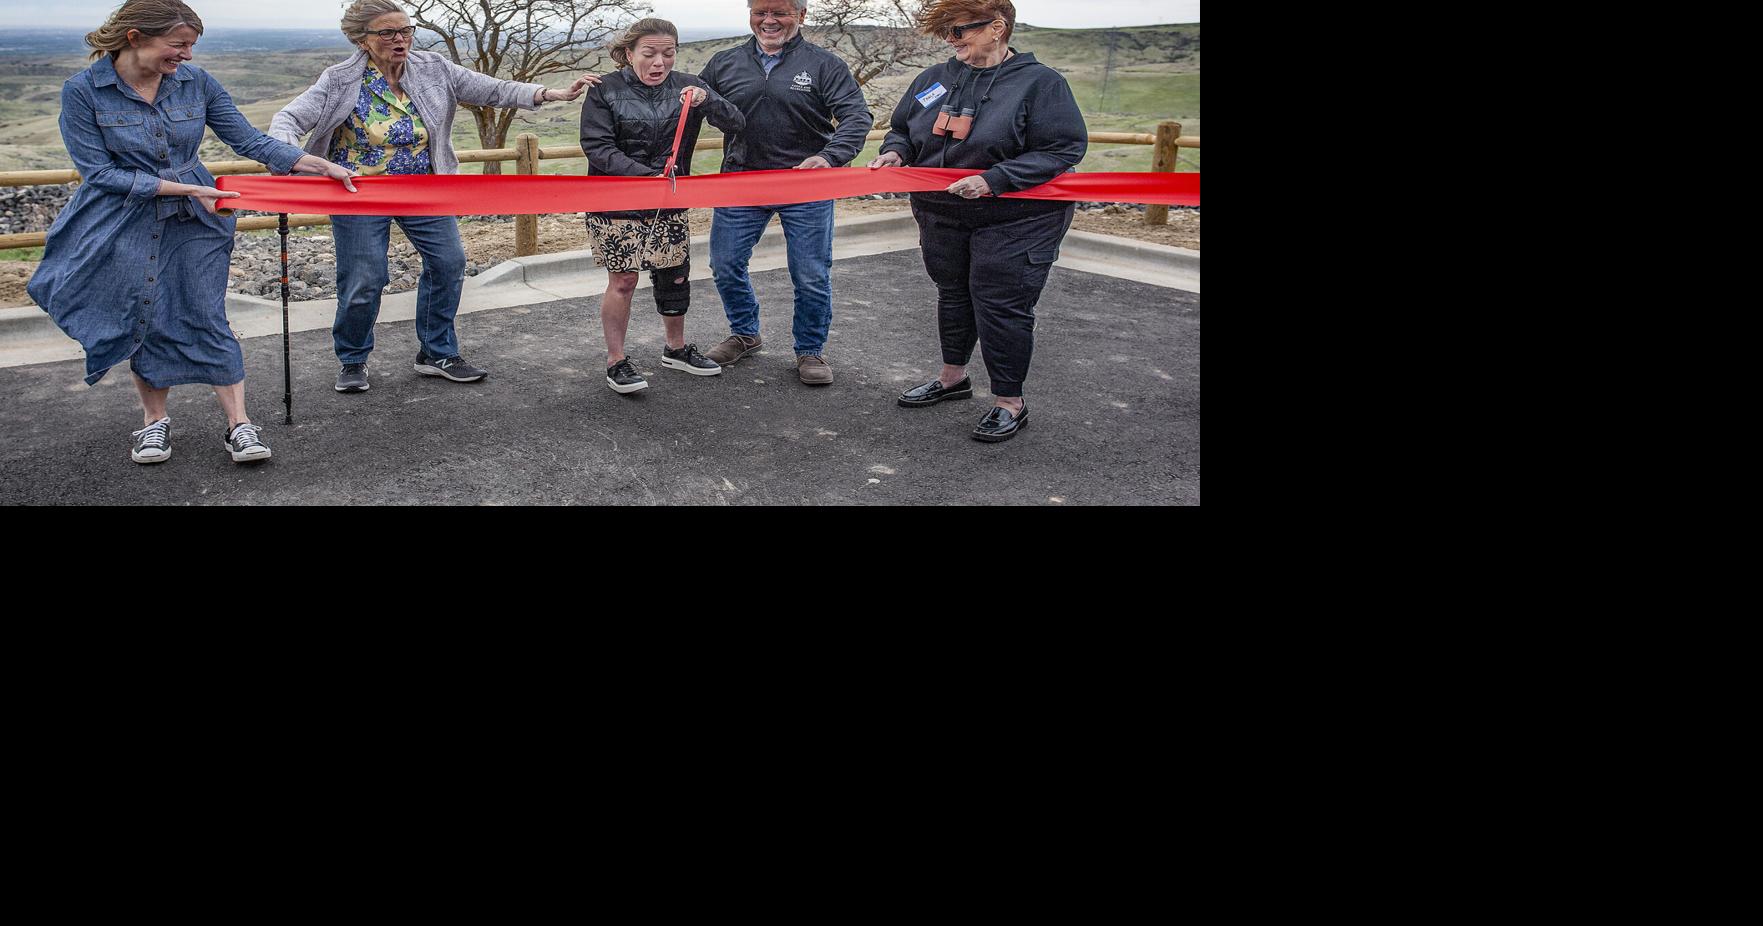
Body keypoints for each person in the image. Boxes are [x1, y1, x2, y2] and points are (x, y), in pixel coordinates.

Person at [28, 0, 357, 464]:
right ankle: (154, 424)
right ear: (135, 37)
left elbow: (248, 139)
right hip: (122, 219)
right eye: (178, 44)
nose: (186, 55)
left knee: (204, 312)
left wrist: (313, 164)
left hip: (198, 218)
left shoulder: (196, 83)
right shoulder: (83, 91)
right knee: (146, 317)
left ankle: (239, 425)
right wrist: (179, 186)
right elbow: (99, 172)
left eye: (191, 46)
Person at [270, 0, 599, 393]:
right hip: (359, 192)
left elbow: (491, 89)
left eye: (405, 30)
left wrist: (551, 93)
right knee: (365, 279)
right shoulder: (339, 79)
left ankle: (436, 352)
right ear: (362, 40)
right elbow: (287, 120)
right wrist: (295, 158)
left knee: (448, 263)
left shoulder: (433, 67)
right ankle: (353, 358)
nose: (400, 39)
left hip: (425, 187)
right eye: (387, 33)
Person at [870, 0, 1085, 442]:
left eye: (958, 31)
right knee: (953, 292)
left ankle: (1010, 401)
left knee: (1000, 302)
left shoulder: (1040, 84)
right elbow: (903, 129)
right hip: (942, 211)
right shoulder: (933, 80)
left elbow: (1063, 149)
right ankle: (952, 379)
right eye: (946, 33)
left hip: (1017, 217)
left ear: (997, 27)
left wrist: (995, 179)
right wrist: (896, 152)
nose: (950, 42)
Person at [697, 0, 873, 385]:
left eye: (780, 12)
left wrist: (829, 157)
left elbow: (857, 117)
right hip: (741, 180)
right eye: (761, 12)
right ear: (750, 15)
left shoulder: (825, 64)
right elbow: (691, 107)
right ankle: (745, 333)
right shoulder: (724, 62)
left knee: (810, 274)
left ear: (802, 15)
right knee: (724, 264)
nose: (769, 20)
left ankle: (810, 351)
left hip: (804, 184)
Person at [579, 18, 744, 394]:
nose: (659, 62)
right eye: (649, 53)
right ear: (628, 53)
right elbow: (598, 147)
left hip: (669, 199)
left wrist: (711, 100)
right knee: (623, 279)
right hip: (617, 201)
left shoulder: (691, 85)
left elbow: (738, 122)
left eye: (668, 54)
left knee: (674, 275)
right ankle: (616, 361)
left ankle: (676, 349)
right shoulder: (605, 89)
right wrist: (644, 177)